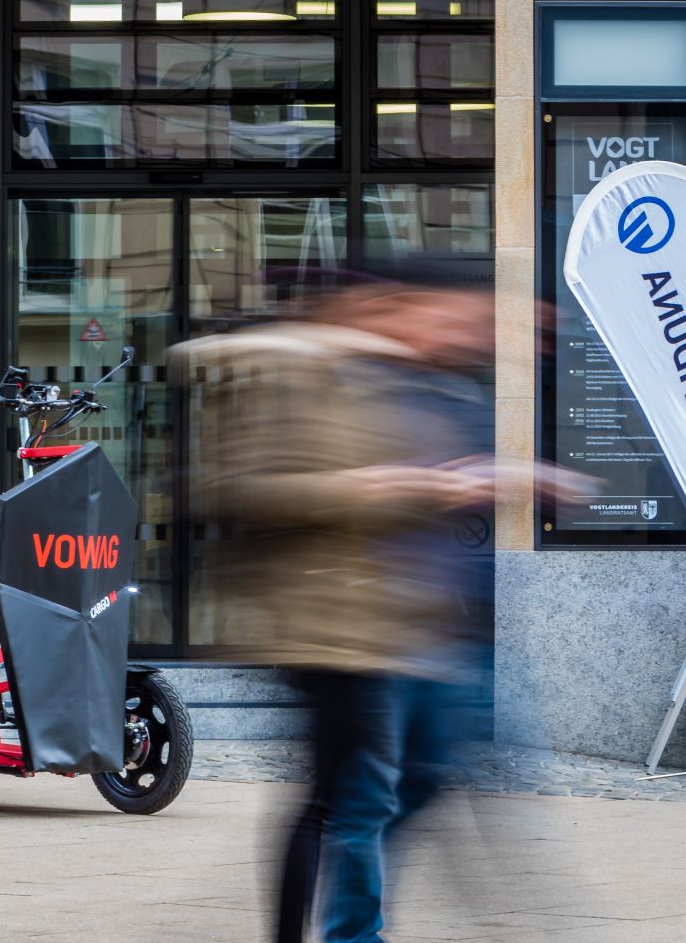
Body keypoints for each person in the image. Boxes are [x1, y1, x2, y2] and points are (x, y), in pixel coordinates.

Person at [181, 270, 498, 943]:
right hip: (319, 623)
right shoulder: (288, 371)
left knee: (366, 793)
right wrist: (374, 487)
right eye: (390, 306)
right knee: (340, 799)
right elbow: (240, 491)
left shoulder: (375, 378)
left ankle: (341, 928)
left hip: (380, 624)